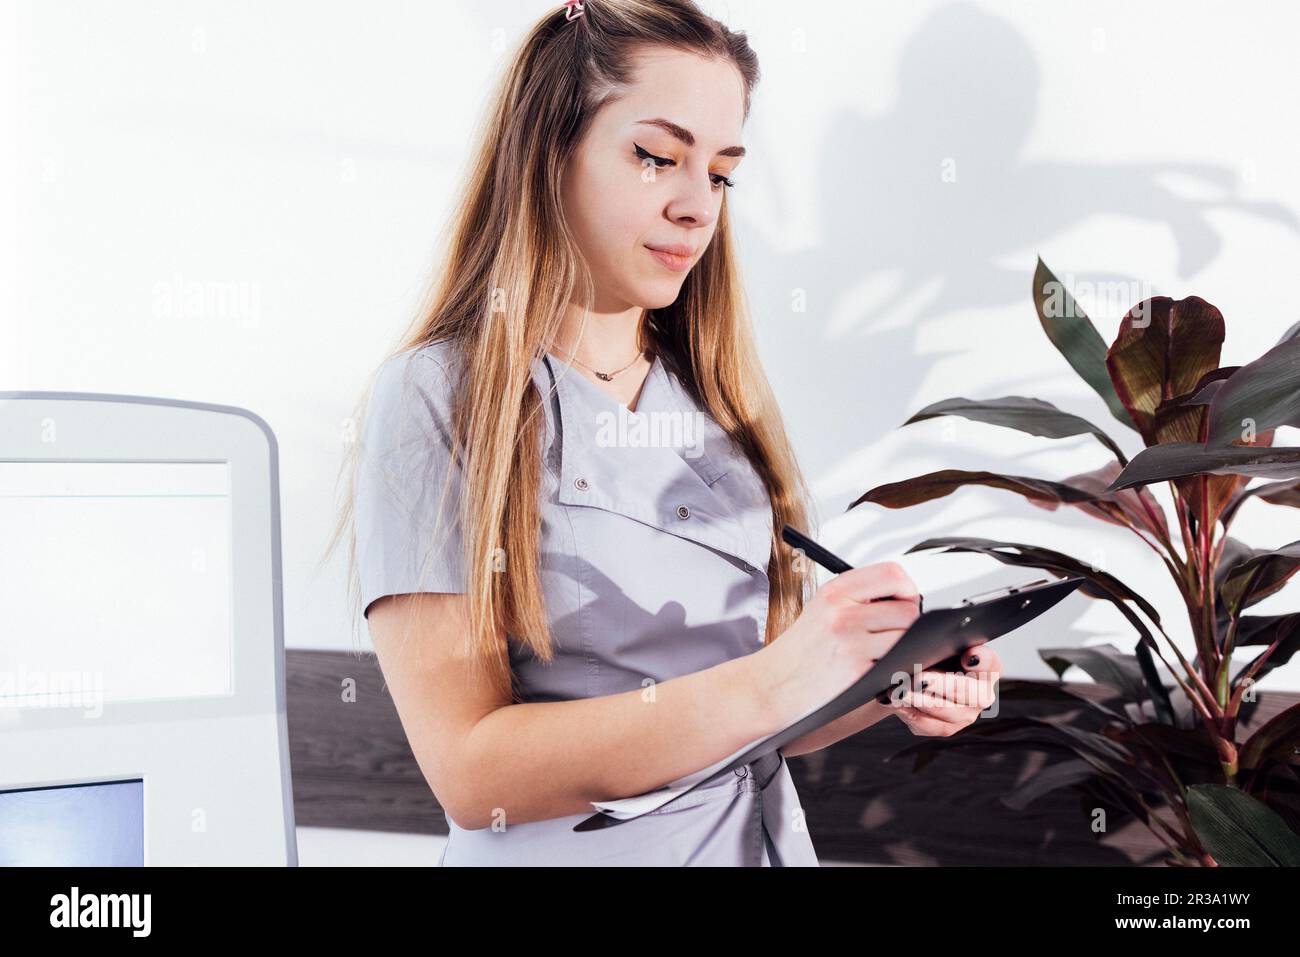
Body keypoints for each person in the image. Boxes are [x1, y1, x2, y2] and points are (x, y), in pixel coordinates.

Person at [332, 0, 1001, 866]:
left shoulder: (719, 404)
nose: (697, 206)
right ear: (547, 154)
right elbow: (470, 772)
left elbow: (764, 723)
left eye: (721, 174)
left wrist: (886, 676)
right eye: (657, 157)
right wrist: (777, 677)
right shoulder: (437, 398)